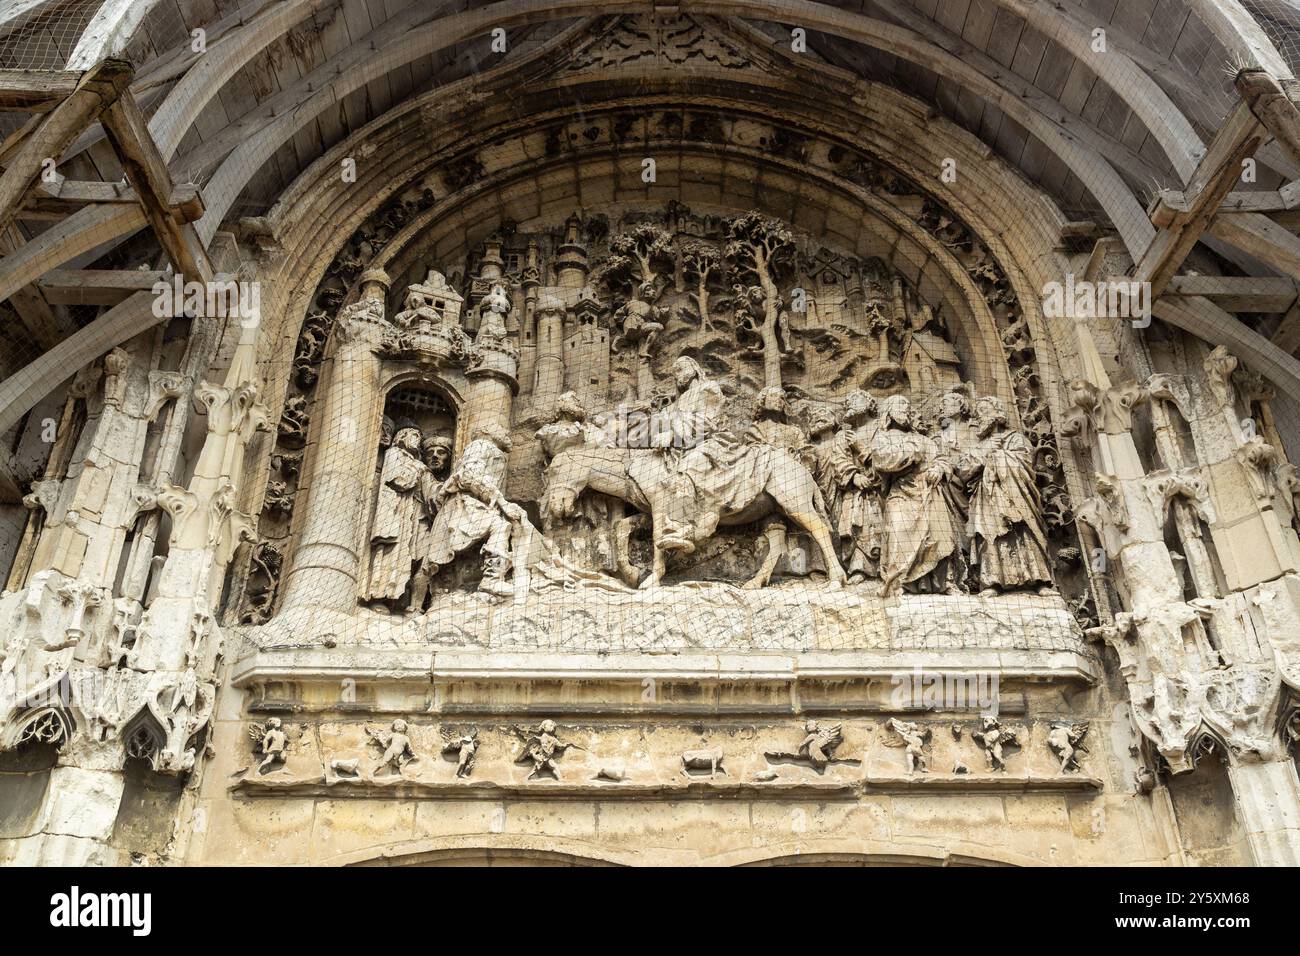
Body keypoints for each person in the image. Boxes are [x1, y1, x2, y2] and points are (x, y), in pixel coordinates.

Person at [868, 395, 963, 596]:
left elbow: (942, 459)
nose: (906, 409)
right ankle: (897, 582)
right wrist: (911, 452)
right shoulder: (882, 438)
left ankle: (944, 582)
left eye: (908, 406)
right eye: (901, 405)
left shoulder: (923, 439)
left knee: (940, 534)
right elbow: (882, 462)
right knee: (898, 530)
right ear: (889, 412)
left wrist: (939, 469)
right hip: (901, 492)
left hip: (928, 491)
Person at [956, 396, 1053, 594]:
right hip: (987, 498)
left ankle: (1039, 581)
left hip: (1014, 494)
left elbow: (1027, 463)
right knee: (991, 535)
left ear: (997, 412)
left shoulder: (1014, 438)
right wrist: (985, 453)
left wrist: (999, 456)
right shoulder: (977, 445)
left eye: (984, 410)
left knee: (1023, 531)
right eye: (977, 413)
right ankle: (992, 582)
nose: (979, 416)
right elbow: (963, 471)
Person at [423, 423, 525, 598]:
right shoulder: (481, 445)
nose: (507, 435)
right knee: (500, 526)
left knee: (501, 526)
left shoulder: (493, 451)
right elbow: (470, 475)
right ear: (489, 431)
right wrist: (503, 503)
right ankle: (491, 579)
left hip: (471, 504)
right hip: (464, 505)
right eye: (502, 430)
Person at [364, 422, 429, 606]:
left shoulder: (411, 460)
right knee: (387, 555)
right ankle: (379, 597)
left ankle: (394, 600)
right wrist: (418, 469)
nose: (418, 441)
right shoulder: (394, 454)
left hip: (406, 516)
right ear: (402, 436)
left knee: (400, 557)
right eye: (415, 436)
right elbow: (399, 480)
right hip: (394, 514)